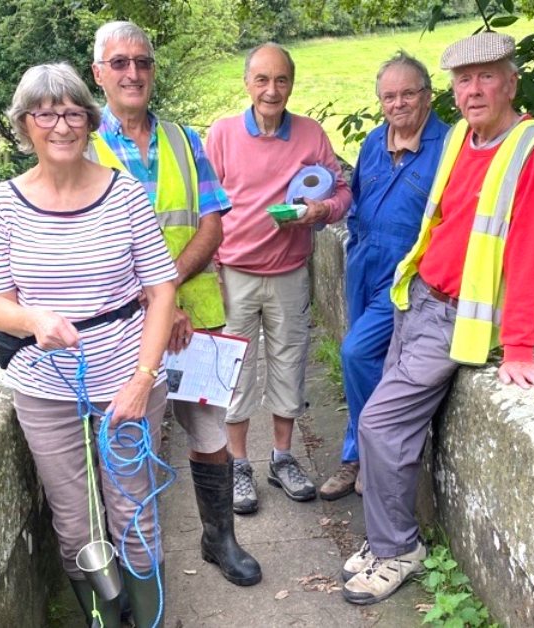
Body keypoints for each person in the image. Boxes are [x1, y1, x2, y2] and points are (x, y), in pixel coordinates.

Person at [341, 32, 534, 606]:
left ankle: (397, 551)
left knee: (380, 425)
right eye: (464, 80)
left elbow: (529, 249)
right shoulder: (465, 135)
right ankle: (382, 538)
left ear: (511, 81)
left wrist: (518, 348)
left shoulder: (530, 148)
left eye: (487, 76)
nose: (473, 90)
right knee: (392, 426)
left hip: (455, 317)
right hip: (417, 297)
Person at [0, 62, 176, 628]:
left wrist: (141, 379)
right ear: (24, 125)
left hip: (128, 380)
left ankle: (150, 618)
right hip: (46, 387)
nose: (60, 126)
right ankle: (105, 620)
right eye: (45, 113)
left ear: (90, 121)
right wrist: (35, 319)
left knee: (134, 513)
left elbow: (161, 291)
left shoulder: (125, 194)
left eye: (71, 112)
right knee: (74, 526)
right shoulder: (1, 204)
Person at [85, 20, 262, 588]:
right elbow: (82, 245)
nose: (133, 73)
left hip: (198, 319)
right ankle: (136, 566)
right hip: (119, 326)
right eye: (120, 63)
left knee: (210, 434)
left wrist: (172, 286)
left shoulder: (187, 140)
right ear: (99, 74)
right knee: (127, 441)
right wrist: (159, 301)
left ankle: (220, 540)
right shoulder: (81, 146)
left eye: (142, 62)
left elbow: (212, 220)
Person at [205, 42, 353, 514]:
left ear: (292, 83)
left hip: (290, 271)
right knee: (234, 370)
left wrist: (321, 210)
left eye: (281, 80)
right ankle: (239, 464)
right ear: (247, 83)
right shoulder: (223, 135)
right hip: (234, 272)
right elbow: (205, 204)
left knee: (290, 362)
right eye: (263, 80)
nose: (272, 90)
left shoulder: (311, 134)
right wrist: (209, 269)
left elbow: (343, 190)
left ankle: (283, 458)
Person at [319, 52, 450, 502]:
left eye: (408, 93)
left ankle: (363, 458)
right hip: (362, 264)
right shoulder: (375, 141)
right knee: (369, 363)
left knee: (355, 353)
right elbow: (352, 199)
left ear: (427, 97)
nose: (398, 104)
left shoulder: (449, 148)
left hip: (406, 276)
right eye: (389, 96)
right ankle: (361, 455)